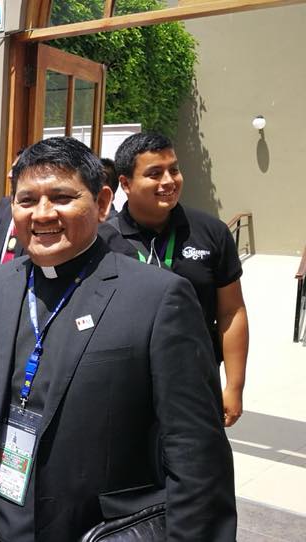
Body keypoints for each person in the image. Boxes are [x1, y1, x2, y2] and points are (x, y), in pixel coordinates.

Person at [0, 137, 236, 542]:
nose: (43, 213)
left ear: (101, 203)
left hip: (95, 528)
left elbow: (197, 453)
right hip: (1, 522)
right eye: (27, 200)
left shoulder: (158, 297)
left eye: (62, 197)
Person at [103, 132, 249, 427]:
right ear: (126, 184)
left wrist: (234, 387)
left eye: (174, 169)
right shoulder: (103, 240)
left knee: (196, 468)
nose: (169, 181)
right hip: (122, 386)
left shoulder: (212, 233)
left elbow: (231, 311)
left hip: (194, 381)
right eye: (155, 173)